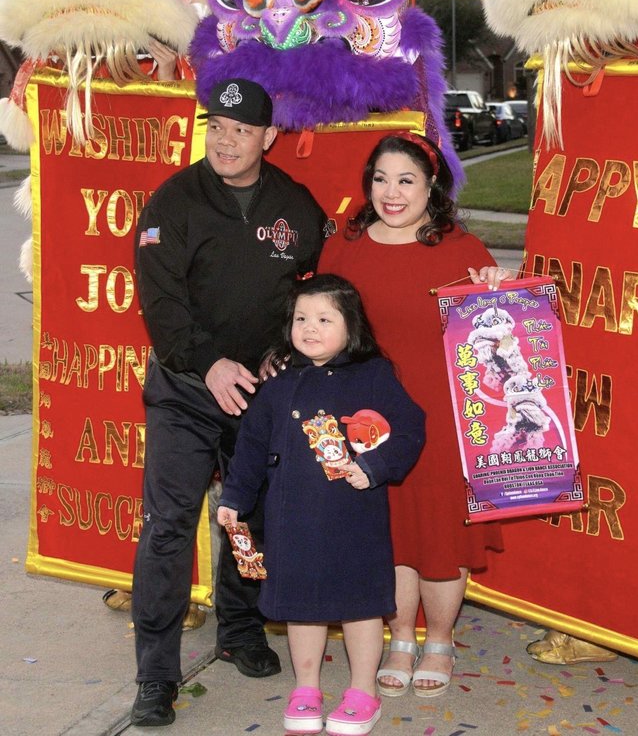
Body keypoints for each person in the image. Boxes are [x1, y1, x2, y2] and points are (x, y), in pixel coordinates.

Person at [130, 77, 328, 727]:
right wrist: (208, 363)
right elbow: (160, 303)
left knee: (247, 521)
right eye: (217, 127)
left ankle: (239, 630)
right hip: (185, 393)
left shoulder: (295, 206)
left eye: (242, 131)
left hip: (259, 400)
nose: (226, 140)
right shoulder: (173, 201)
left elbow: (316, 289)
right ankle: (156, 673)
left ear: (269, 138)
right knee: (168, 528)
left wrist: (287, 350)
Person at [317, 132, 510, 698]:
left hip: (443, 418)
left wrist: (497, 289)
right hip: (365, 417)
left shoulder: (463, 251)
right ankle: (401, 635)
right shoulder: (343, 247)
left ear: (432, 187)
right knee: (388, 532)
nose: (392, 193)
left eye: (406, 181)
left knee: (438, 533)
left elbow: (499, 336)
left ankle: (441, 640)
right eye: (381, 180)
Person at [217, 273, 426, 736]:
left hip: (355, 518)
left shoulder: (374, 376)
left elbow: (411, 429)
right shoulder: (278, 386)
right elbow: (251, 447)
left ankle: (361, 691)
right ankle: (306, 688)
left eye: (324, 319)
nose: (310, 328)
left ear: (351, 327)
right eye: (301, 318)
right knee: (300, 605)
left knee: (360, 605)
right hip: (292, 519)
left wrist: (372, 466)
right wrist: (235, 497)